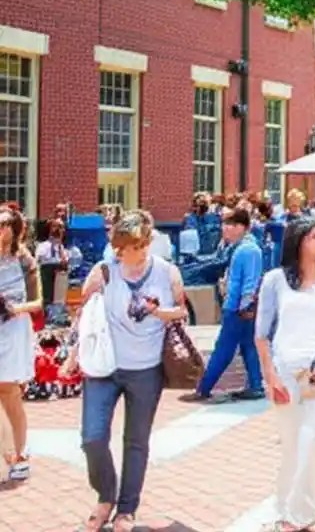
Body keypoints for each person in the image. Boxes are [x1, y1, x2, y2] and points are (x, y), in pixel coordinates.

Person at [62, 210, 188, 531]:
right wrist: (73, 354)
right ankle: (106, 495)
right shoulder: (104, 272)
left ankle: (126, 509)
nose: (130, 252)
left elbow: (182, 312)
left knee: (136, 440)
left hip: (146, 369)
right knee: (92, 437)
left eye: (137, 245)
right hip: (104, 367)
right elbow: (84, 316)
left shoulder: (167, 273)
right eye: (125, 246)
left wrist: (159, 312)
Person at [253, 219, 315, 531]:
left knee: (313, 441)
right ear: (299, 241)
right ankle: (286, 508)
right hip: (285, 367)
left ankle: (300, 513)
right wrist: (270, 376)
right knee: (292, 444)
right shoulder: (275, 281)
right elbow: (262, 334)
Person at [188, 208, 265, 402]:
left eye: (230, 224)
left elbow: (250, 282)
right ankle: (256, 385)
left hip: (237, 309)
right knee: (248, 346)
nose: (225, 228)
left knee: (224, 348)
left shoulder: (247, 250)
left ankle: (204, 387)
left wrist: (245, 306)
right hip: (241, 308)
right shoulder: (243, 248)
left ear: (242, 227)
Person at [0, 207, 40, 483]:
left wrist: (14, 308)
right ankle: (8, 453)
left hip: (13, 328)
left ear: (14, 229)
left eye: (3, 225)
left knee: (9, 391)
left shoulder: (25, 260)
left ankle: (21, 454)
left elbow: (38, 303)